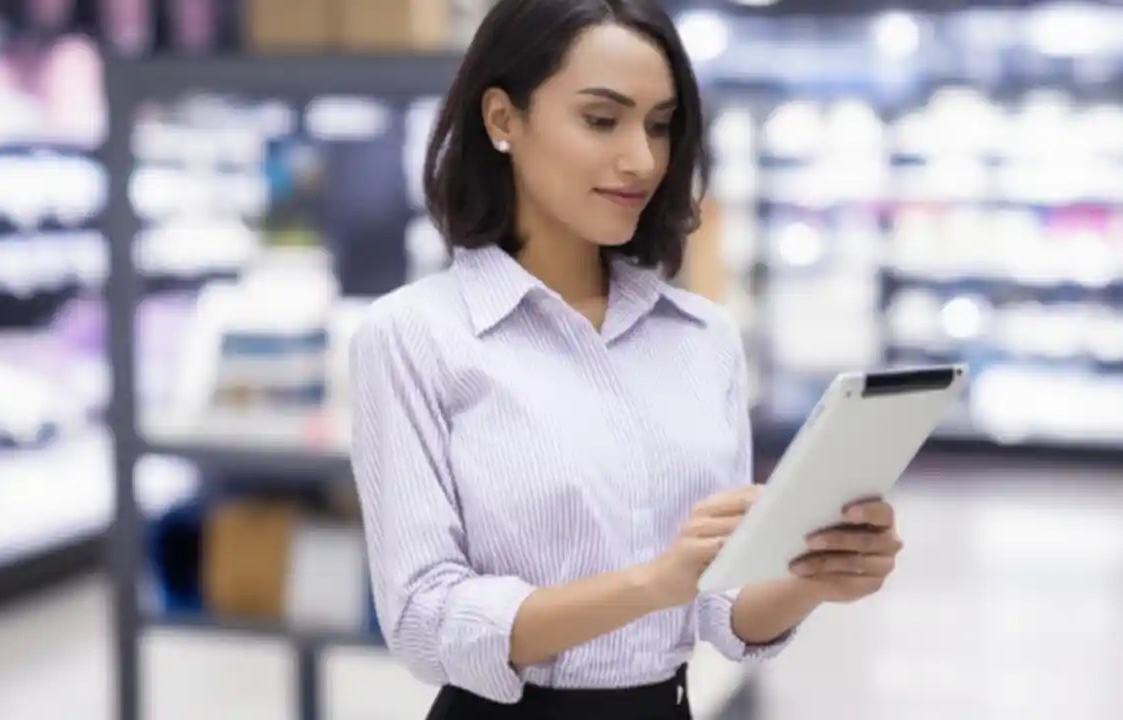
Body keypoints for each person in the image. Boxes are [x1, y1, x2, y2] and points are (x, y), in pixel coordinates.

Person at [348, 1, 905, 718]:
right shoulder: (412, 336)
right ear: (502, 119)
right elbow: (425, 622)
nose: (642, 159)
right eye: (602, 120)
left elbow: (721, 605)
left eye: (661, 124)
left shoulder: (703, 337)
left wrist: (814, 573)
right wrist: (653, 583)